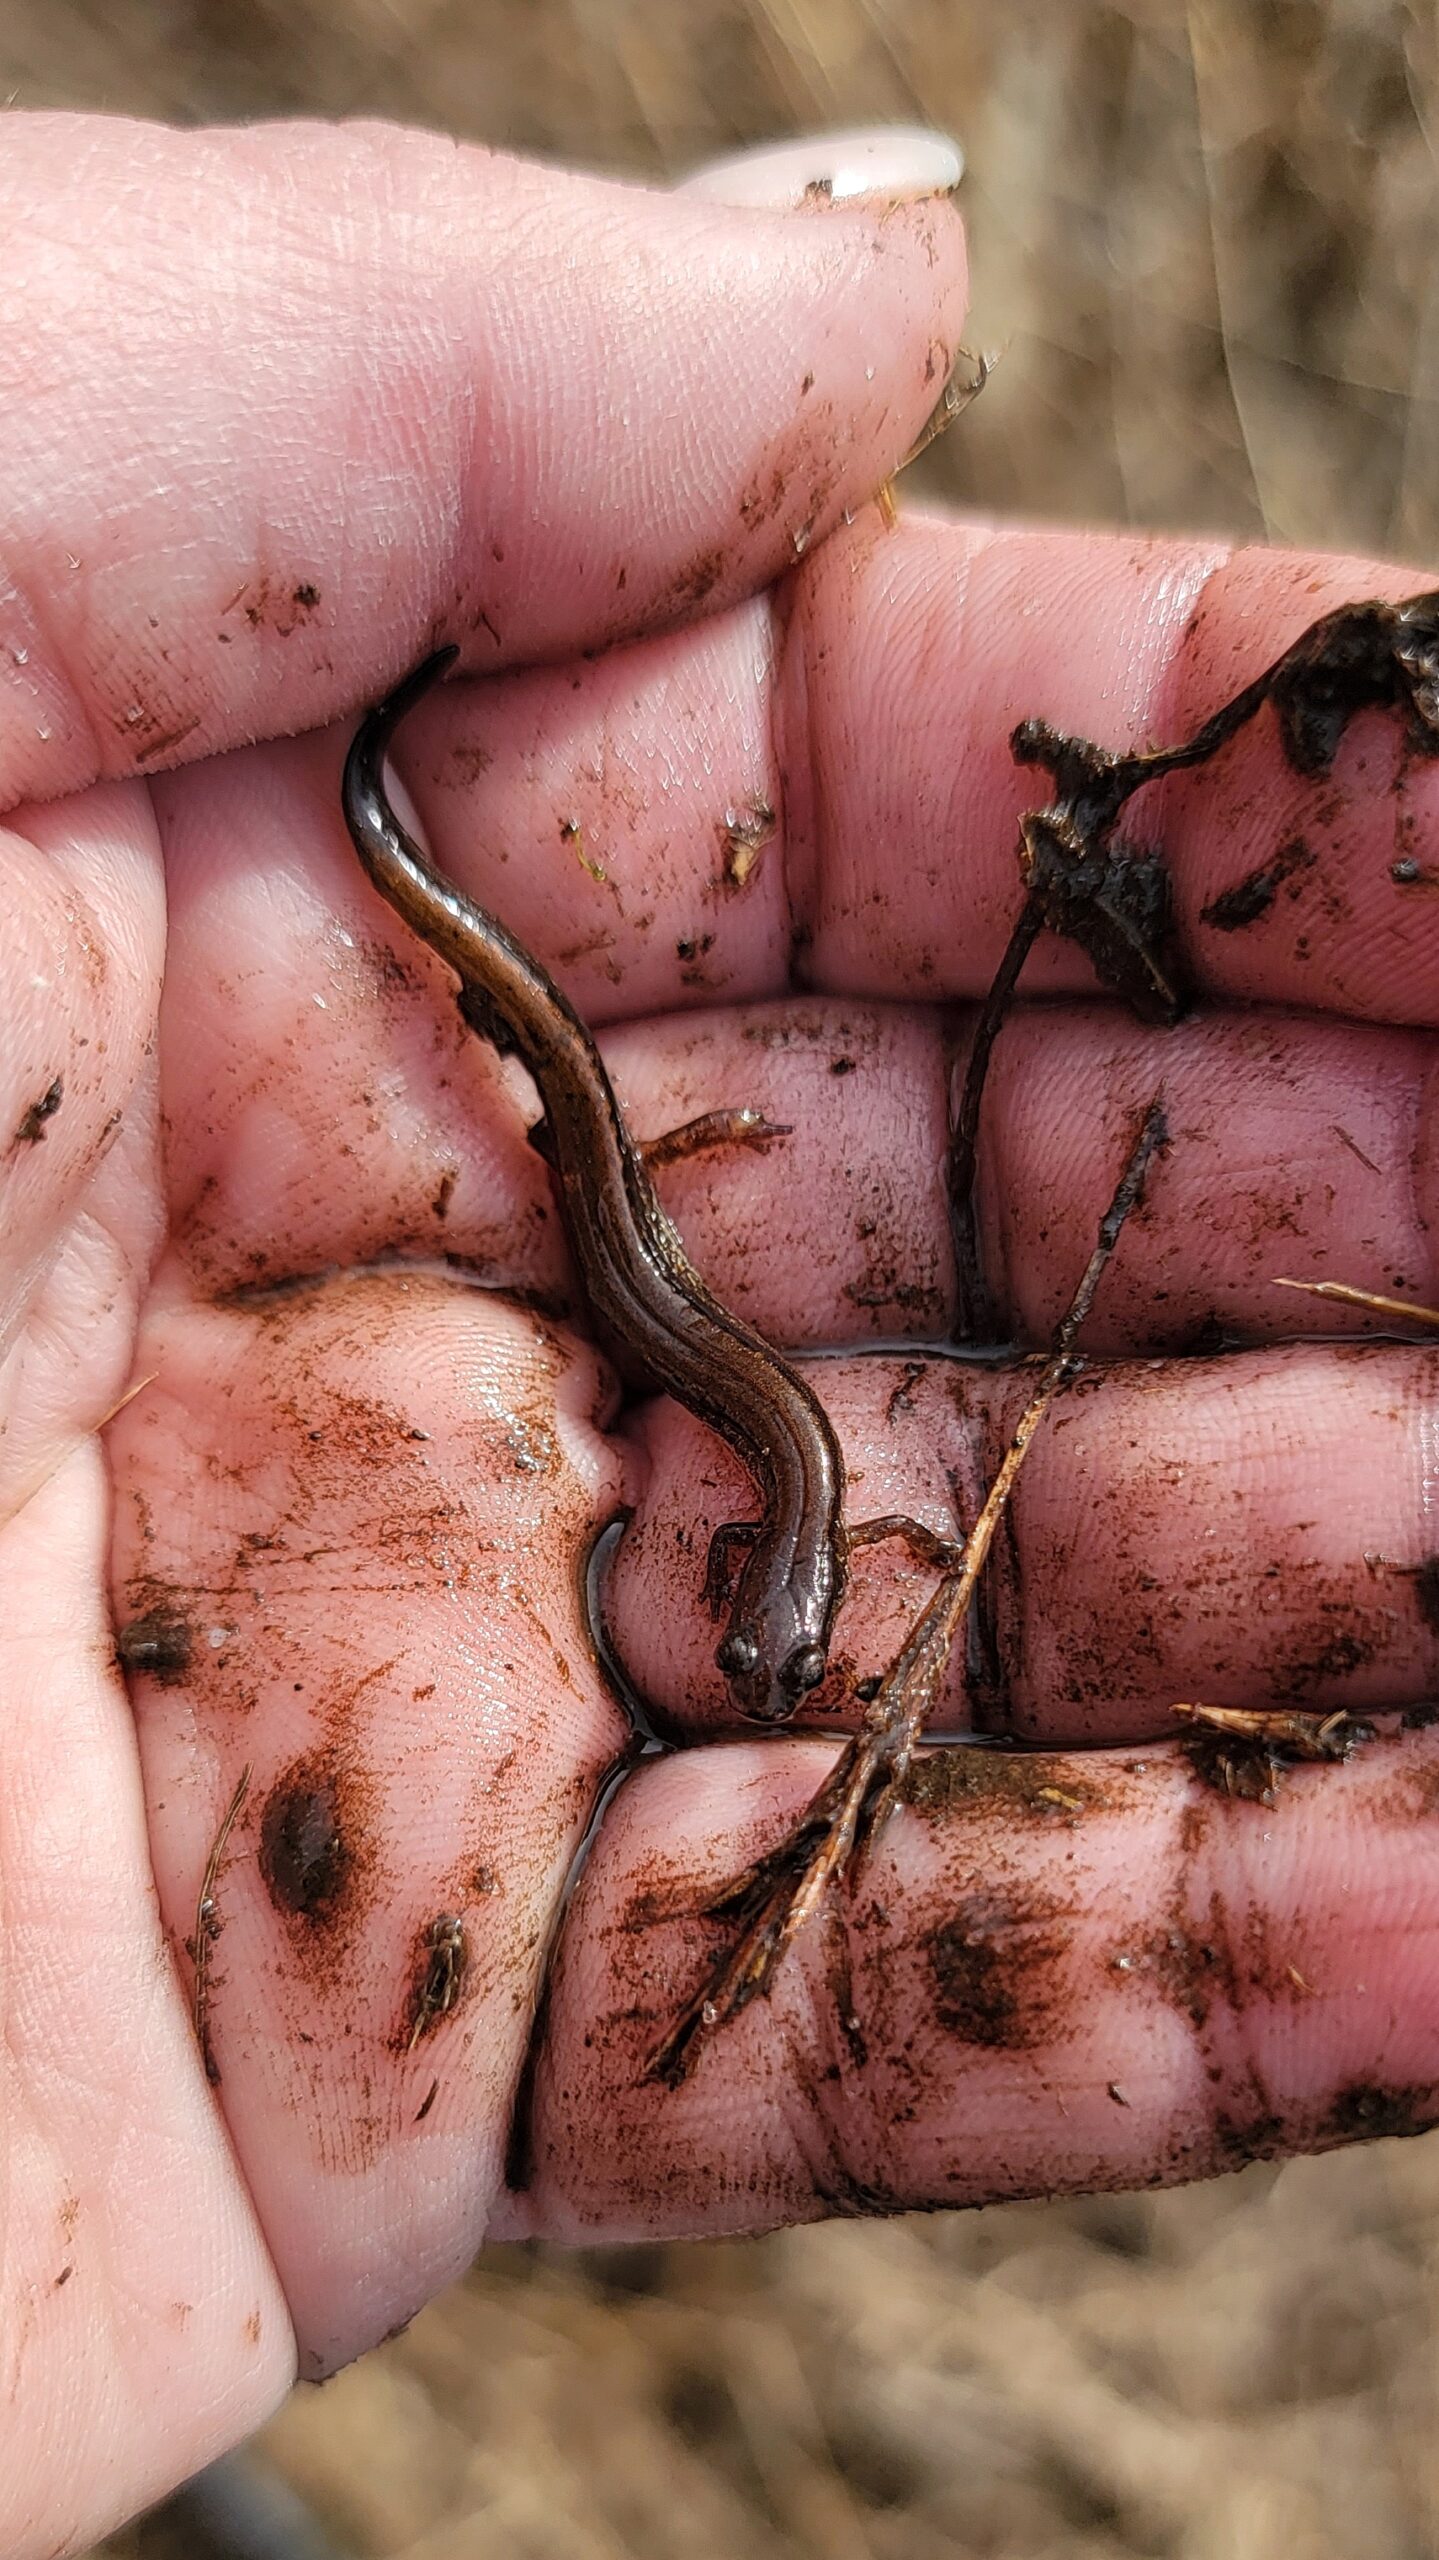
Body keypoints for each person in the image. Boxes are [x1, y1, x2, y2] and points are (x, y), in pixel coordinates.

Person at [4, 114, 1436, 2560]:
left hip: (621, 1228)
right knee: (539, 1042)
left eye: (781, 1631)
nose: (778, 1637)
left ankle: (401, 827)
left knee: (555, 1067)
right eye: (788, 1630)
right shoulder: (763, 1456)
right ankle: (390, 817)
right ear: (797, 1566)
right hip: (605, 1202)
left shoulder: (773, 1466)